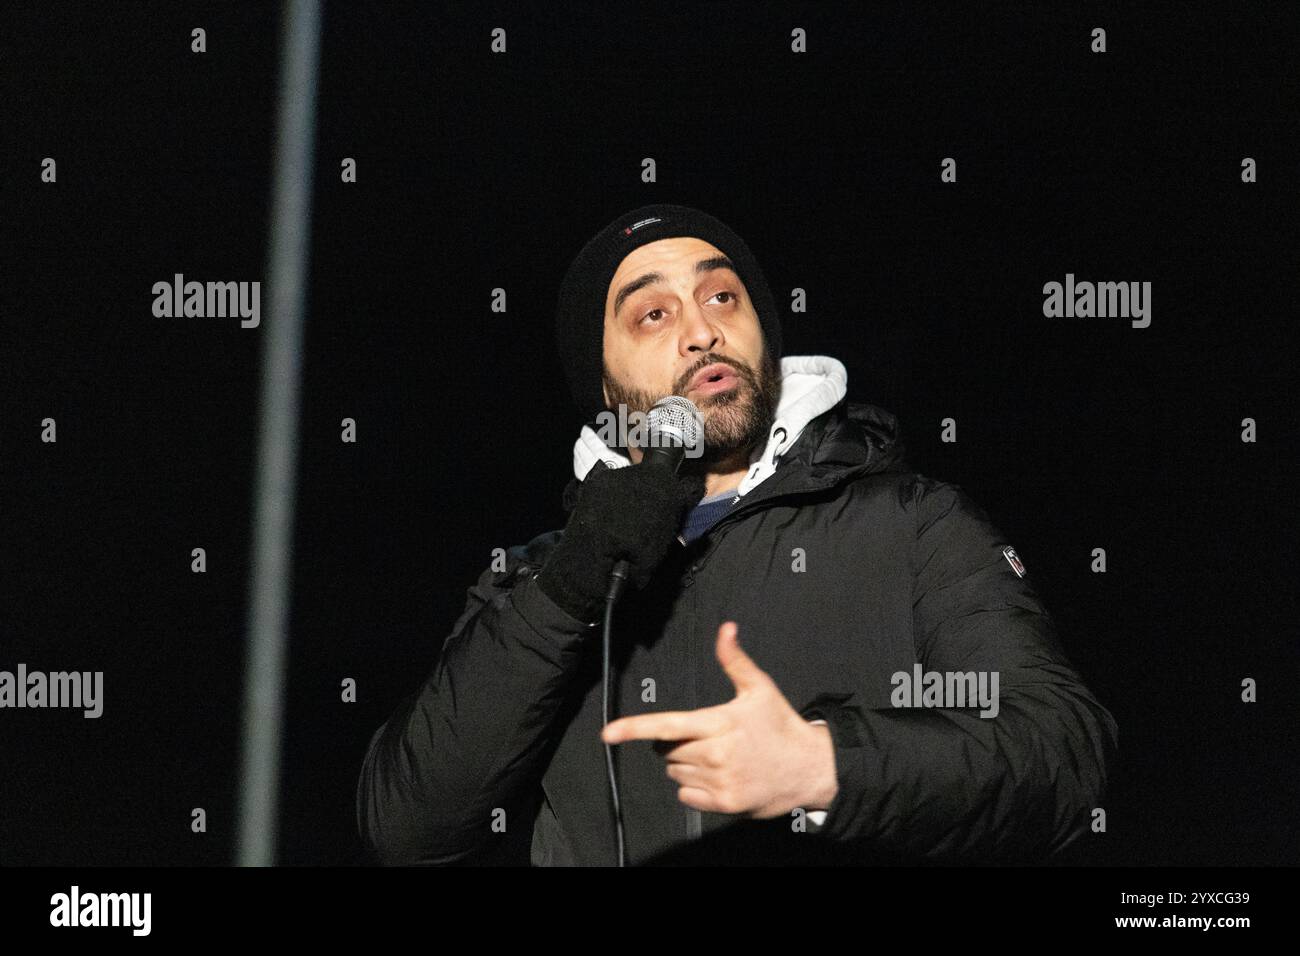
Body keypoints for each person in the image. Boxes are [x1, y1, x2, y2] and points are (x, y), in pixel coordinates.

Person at [355, 203, 1118, 866]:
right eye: (652, 314)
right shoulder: (536, 585)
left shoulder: (911, 521)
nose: (701, 332)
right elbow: (410, 827)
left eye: (723, 296)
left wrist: (826, 765)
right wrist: (568, 591)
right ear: (605, 385)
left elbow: (1063, 755)